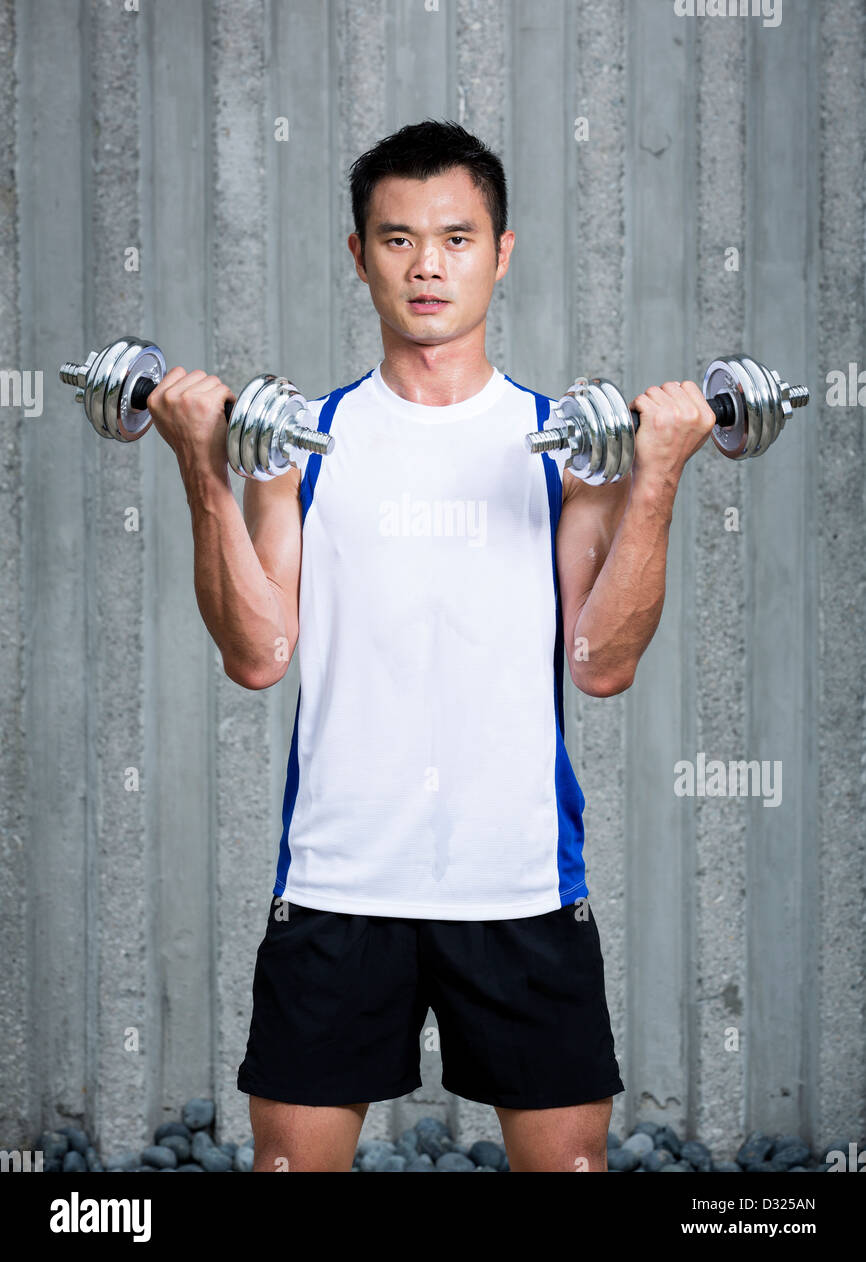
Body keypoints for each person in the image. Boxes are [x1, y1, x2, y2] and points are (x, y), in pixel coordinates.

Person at [146, 119, 716, 1172]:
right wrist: (199, 469)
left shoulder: (566, 448)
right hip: (338, 878)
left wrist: (660, 473)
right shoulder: (298, 445)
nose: (426, 265)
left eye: (455, 237)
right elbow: (258, 653)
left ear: (501, 252)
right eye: (397, 238)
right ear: (357, 255)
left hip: (517, 880)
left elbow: (603, 663)